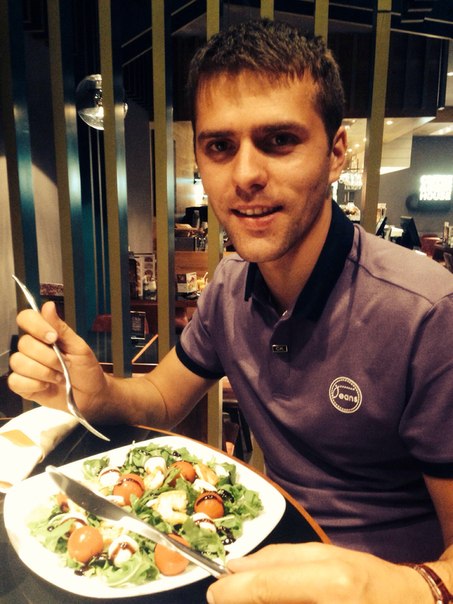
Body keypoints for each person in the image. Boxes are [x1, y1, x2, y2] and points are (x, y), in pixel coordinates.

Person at [8, 18, 453, 603]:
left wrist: (402, 586)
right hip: (254, 557)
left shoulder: (428, 314)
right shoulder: (229, 283)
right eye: (220, 147)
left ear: (336, 152)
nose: (245, 175)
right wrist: (97, 393)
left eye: (280, 140)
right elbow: (163, 399)